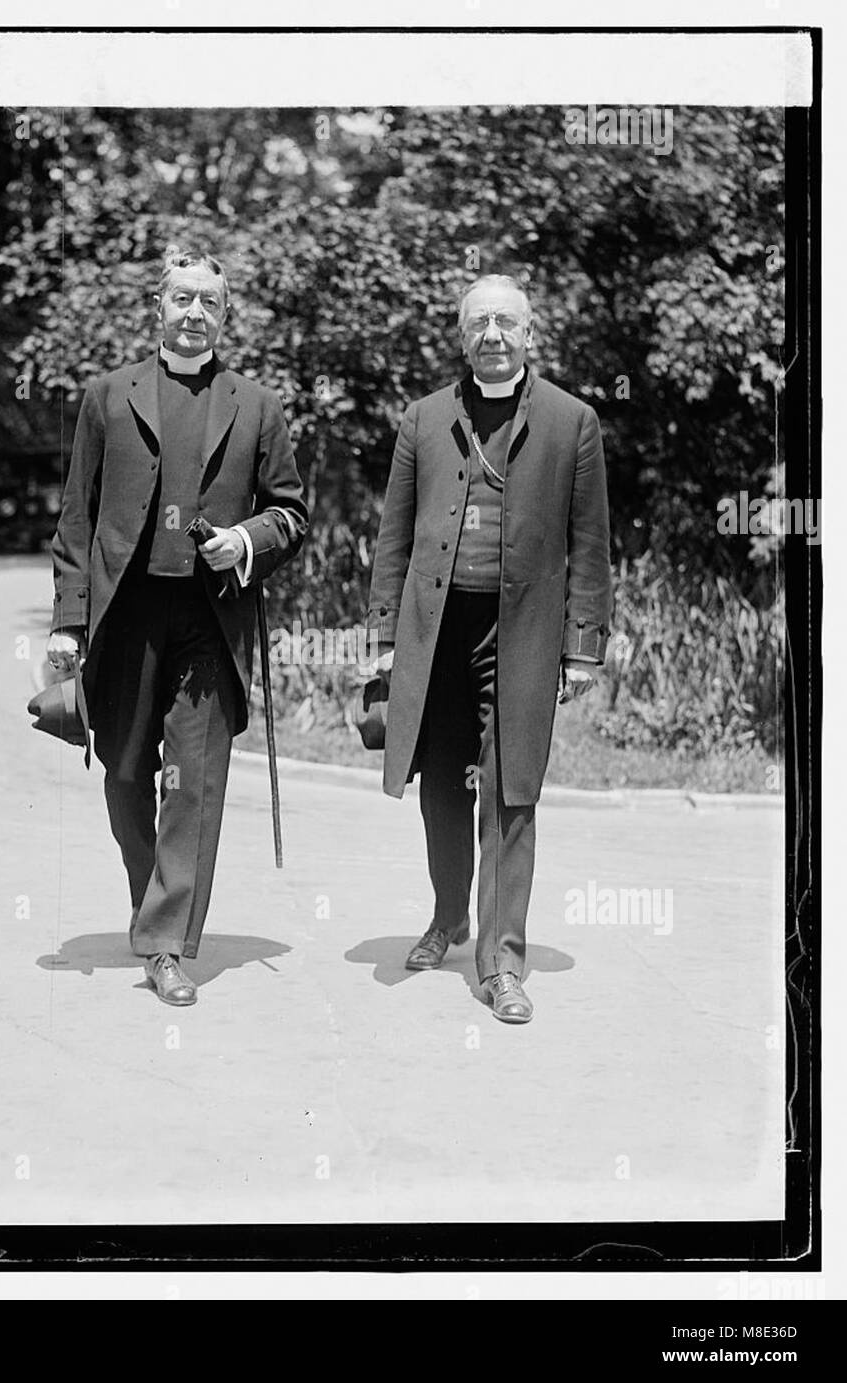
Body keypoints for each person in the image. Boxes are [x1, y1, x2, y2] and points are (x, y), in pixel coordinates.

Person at [47, 248, 308, 1006]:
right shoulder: (106, 396)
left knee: (193, 785)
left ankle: (167, 943)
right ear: (157, 309)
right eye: (182, 300)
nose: (195, 314)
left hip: (209, 619)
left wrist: (246, 541)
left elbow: (291, 512)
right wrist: (70, 622)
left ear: (225, 318)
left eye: (210, 304)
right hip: (124, 614)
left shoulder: (256, 405)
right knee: (127, 775)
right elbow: (77, 517)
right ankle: (151, 906)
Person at [365, 274, 612, 1023]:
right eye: (481, 324)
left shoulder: (574, 422)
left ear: (530, 334)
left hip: (526, 637)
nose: (494, 335)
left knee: (512, 795)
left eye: (508, 322)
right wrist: (382, 636)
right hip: (436, 634)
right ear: (462, 334)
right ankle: (449, 918)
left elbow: (591, 545)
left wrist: (583, 647)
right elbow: (394, 536)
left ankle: (503, 962)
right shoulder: (423, 419)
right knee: (441, 787)